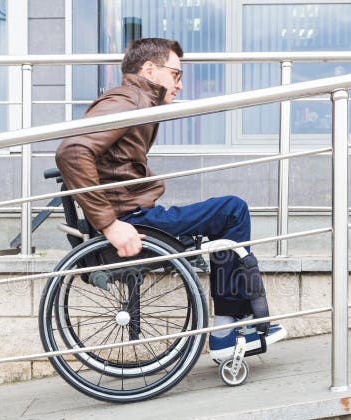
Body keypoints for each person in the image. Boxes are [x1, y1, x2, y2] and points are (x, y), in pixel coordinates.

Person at [55, 37, 286, 362]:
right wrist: (109, 225)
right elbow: (71, 150)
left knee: (226, 216)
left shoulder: (139, 101)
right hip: (131, 219)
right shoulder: (128, 100)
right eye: (175, 74)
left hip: (133, 211)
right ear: (149, 69)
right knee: (232, 211)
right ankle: (225, 331)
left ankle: (231, 325)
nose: (180, 84)